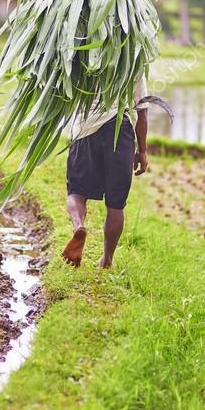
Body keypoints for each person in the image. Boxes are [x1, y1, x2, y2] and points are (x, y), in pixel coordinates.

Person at [61, 75, 148, 269]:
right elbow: (142, 111)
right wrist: (142, 151)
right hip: (119, 130)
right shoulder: (133, 58)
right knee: (116, 205)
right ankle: (107, 260)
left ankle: (79, 226)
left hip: (85, 129)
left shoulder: (77, 55)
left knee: (76, 190)